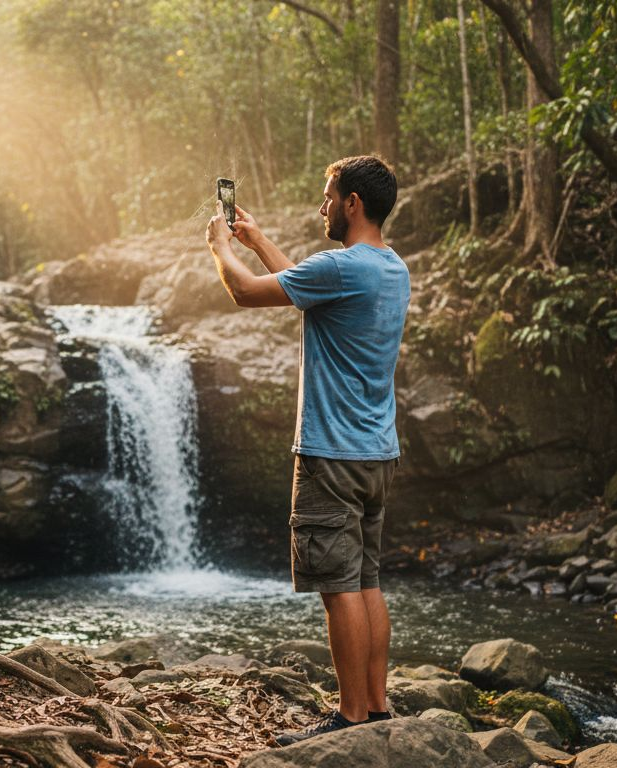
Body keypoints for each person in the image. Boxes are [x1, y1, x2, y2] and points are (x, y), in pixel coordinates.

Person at [204, 155, 410, 746]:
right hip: (377, 455)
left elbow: (245, 293)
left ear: (353, 204)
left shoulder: (341, 267)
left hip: (331, 455)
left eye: (328, 196)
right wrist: (259, 237)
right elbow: (309, 290)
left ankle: (347, 719)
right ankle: (375, 707)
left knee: (337, 587)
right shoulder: (390, 269)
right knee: (366, 580)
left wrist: (221, 246)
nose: (321, 206)